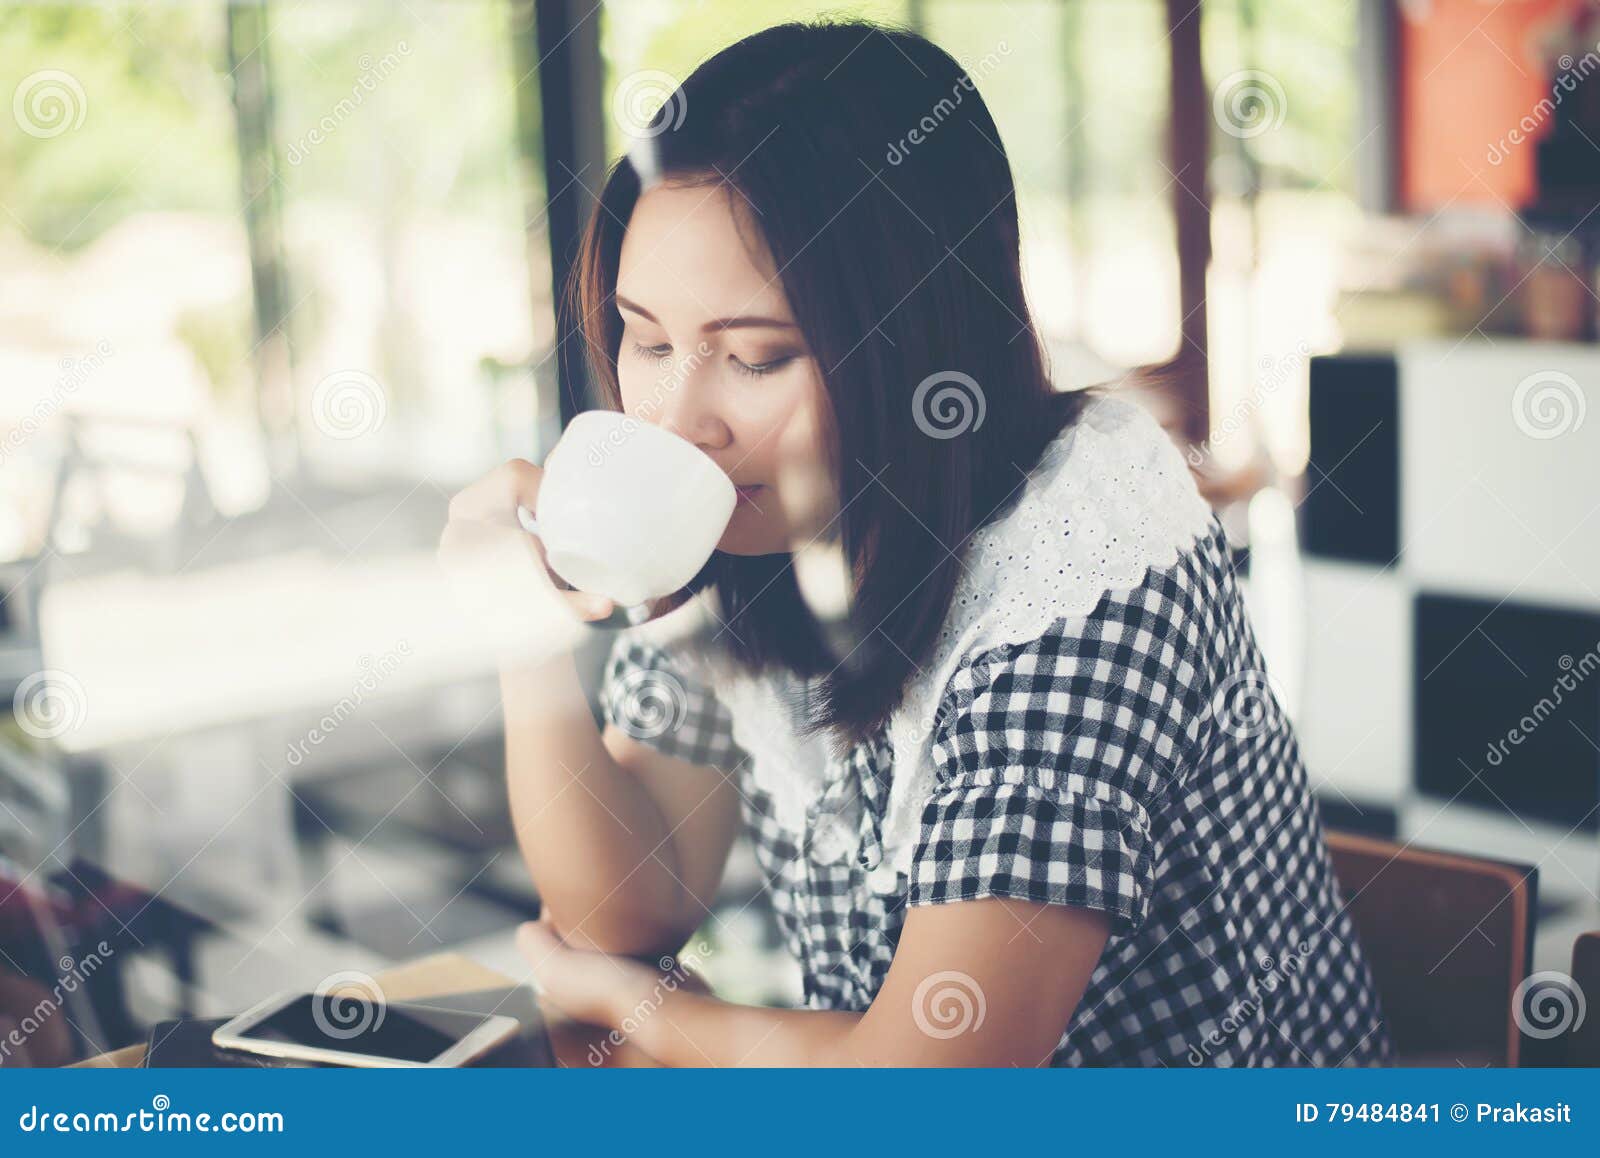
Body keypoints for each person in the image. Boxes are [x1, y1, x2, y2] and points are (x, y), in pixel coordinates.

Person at [439, 19, 1391, 1066]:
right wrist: (516, 629)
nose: (675, 420)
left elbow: (930, 1084)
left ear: (919, 339)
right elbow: (628, 907)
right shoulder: (748, 511)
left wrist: (647, 1013)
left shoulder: (1083, 558)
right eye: (647, 339)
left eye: (754, 358)